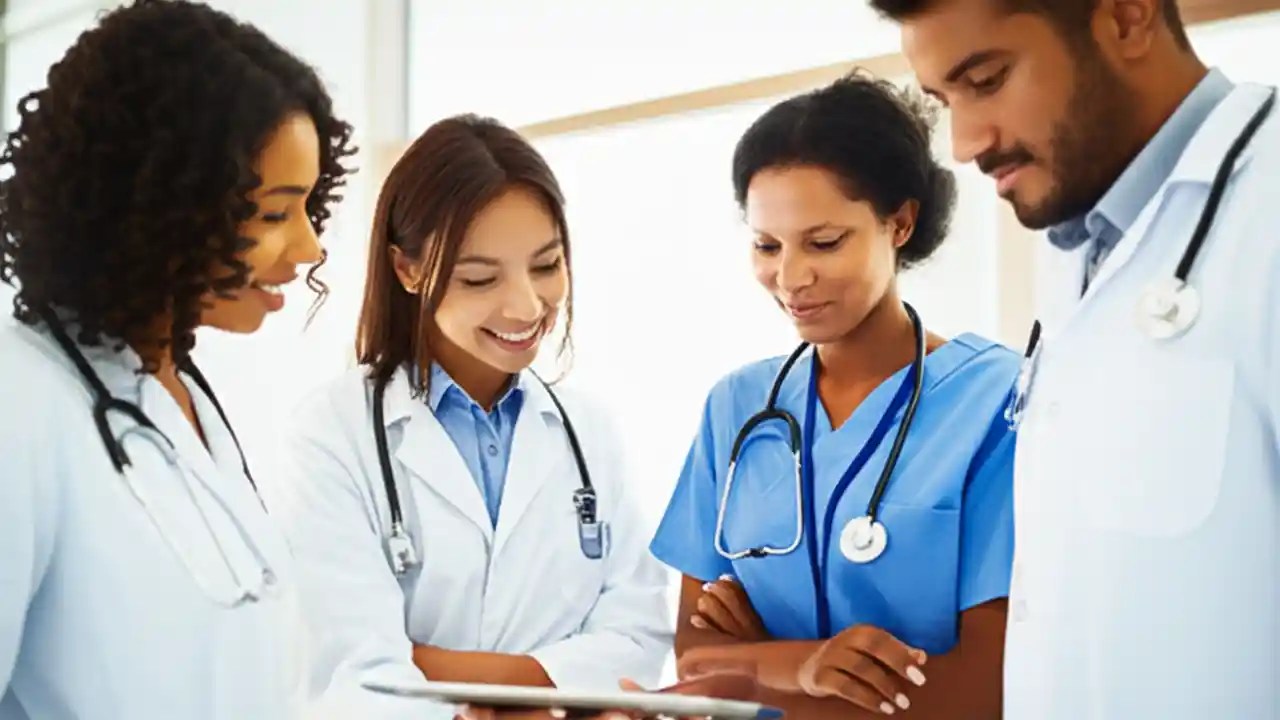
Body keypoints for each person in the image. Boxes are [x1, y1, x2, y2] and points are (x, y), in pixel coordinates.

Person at [868, 0, 1280, 717]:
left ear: (1125, 16)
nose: (964, 143)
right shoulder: (1078, 248)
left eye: (988, 79)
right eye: (944, 101)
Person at [0, 1, 355, 718]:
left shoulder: (177, 389)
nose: (311, 248)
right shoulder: (21, 402)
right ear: (158, 203)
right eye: (273, 213)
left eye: (309, 208)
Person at [647, 71, 1018, 719]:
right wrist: (803, 666)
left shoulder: (996, 403)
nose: (790, 278)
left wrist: (760, 667)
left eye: (823, 243)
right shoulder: (738, 407)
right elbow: (694, 659)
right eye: (767, 246)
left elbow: (981, 690)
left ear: (899, 222)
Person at [275, 114, 670, 719]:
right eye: (480, 278)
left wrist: (431, 663)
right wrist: (555, 686)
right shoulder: (331, 433)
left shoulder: (588, 430)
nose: (526, 305)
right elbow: (353, 667)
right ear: (407, 270)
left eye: (546, 266)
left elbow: (639, 640)